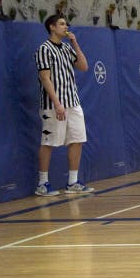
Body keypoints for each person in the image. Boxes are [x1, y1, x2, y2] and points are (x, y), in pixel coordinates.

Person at [34, 15, 93, 196]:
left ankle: (72, 182)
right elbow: (45, 78)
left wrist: (75, 43)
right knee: (49, 141)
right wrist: (57, 103)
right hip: (53, 104)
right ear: (52, 27)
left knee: (77, 139)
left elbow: (84, 66)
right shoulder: (44, 49)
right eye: (61, 23)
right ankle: (43, 184)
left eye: (66, 23)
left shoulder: (67, 48)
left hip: (73, 102)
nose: (65, 26)